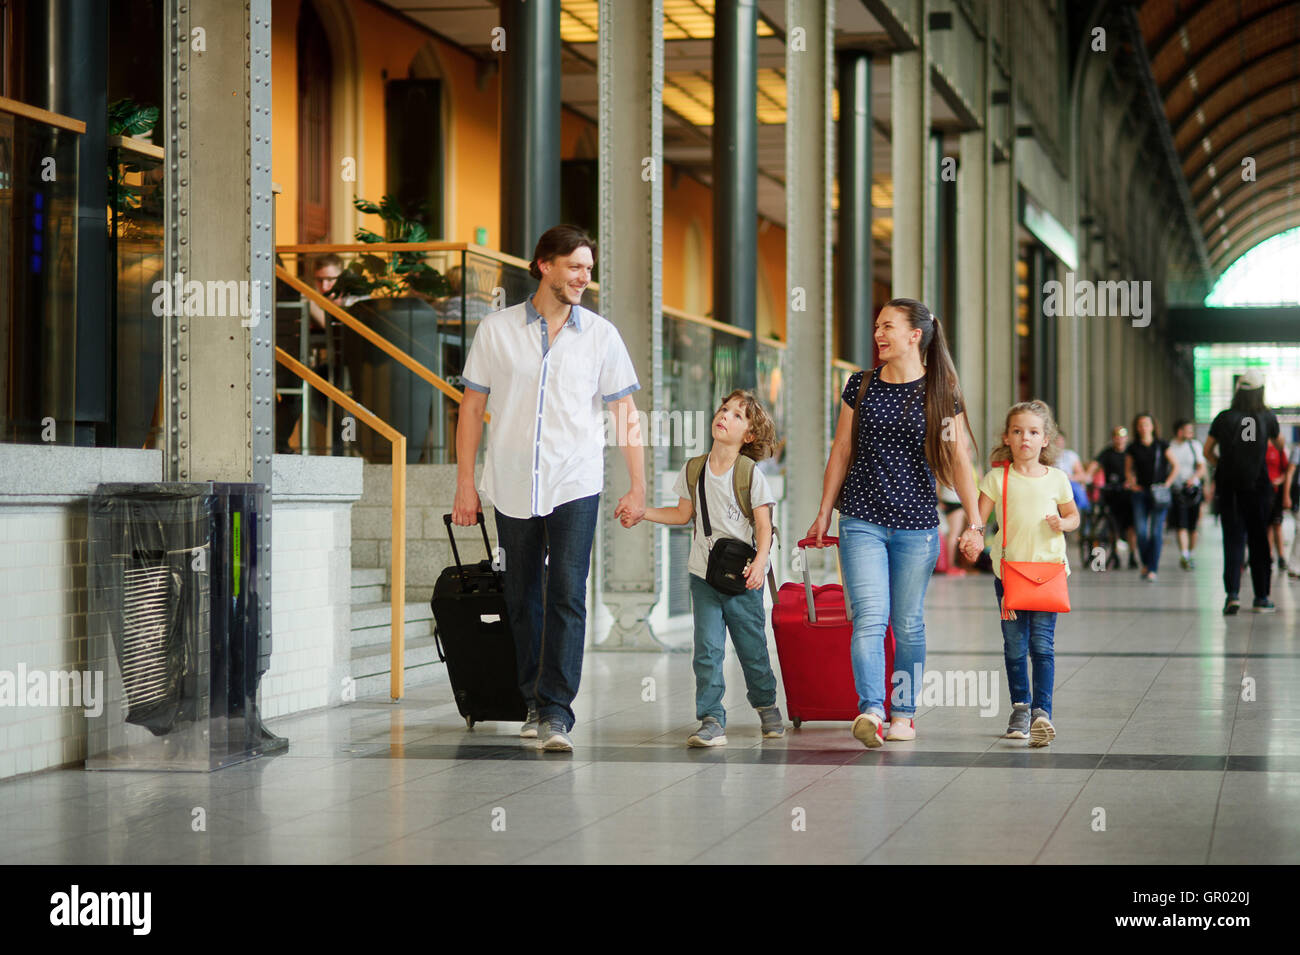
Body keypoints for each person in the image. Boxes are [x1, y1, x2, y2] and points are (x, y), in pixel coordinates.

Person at [451, 224, 646, 753]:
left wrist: (638, 485)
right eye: (575, 266)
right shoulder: (497, 329)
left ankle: (557, 709)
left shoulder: (600, 335)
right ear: (545, 265)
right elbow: (471, 408)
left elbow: (624, 412)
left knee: (567, 591)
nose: (585, 277)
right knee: (521, 594)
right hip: (511, 480)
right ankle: (532, 701)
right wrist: (465, 484)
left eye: (588, 268)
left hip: (575, 479)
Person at [805, 299, 983, 748]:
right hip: (860, 518)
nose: (878, 334)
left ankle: (903, 713)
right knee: (869, 617)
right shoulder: (860, 385)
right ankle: (870, 710)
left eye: (888, 326)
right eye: (876, 325)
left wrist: (975, 523)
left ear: (914, 335)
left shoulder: (941, 394)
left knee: (907, 624)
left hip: (917, 526)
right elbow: (841, 449)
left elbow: (960, 462)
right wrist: (825, 511)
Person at [623, 390, 783, 746]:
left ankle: (766, 705)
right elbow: (682, 514)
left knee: (752, 649)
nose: (724, 416)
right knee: (707, 650)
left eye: (738, 416)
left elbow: (763, 526)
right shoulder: (694, 468)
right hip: (704, 577)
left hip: (743, 578)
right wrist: (642, 513)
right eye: (724, 409)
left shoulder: (749, 473)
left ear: (749, 435)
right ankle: (711, 718)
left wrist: (760, 563)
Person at [963, 400, 1078, 748]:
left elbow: (1074, 517)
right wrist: (972, 537)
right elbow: (978, 521)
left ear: (1045, 440)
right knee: (1014, 645)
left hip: (1047, 575)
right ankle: (1020, 708)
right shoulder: (997, 478)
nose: (1025, 438)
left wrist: (1064, 523)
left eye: (1033, 432)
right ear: (1007, 438)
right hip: (1009, 576)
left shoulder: (1057, 479)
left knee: (1042, 646)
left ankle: (1043, 712)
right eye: (1017, 431)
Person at [1203, 369, 1284, 614]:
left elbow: (1208, 451)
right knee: (1259, 541)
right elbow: (1280, 446)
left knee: (1233, 539)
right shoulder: (1267, 417)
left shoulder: (1223, 417)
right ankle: (1261, 597)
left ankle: (1233, 595)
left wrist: (1224, 465)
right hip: (1258, 487)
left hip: (1229, 487)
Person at [1124, 412, 1179, 582]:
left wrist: (1167, 484)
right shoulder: (1133, 447)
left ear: (1153, 426)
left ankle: (1151, 568)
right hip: (1140, 493)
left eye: (1146, 424)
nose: (1143, 427)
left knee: (1156, 532)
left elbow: (1175, 466)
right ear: (1137, 428)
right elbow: (1128, 469)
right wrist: (1132, 483)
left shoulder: (1162, 445)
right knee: (1141, 531)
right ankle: (1146, 563)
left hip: (1159, 492)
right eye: (1140, 424)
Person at [1085, 426, 1138, 568]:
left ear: (1126, 438)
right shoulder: (1108, 452)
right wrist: (1087, 476)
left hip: (1127, 493)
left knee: (1130, 527)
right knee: (1112, 525)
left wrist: (1131, 482)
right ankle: (1115, 554)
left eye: (1122, 437)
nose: (1119, 440)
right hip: (1111, 493)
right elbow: (1095, 464)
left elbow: (1136, 469)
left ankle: (1133, 554)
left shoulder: (1130, 452)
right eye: (1116, 437)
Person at [1168, 419, 1207, 570]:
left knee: (1193, 526)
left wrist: (1194, 478)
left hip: (1193, 491)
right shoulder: (1170, 447)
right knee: (1181, 524)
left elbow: (1201, 467)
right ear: (1179, 431)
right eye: (1188, 430)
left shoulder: (1195, 446)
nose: (1191, 433)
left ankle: (1191, 552)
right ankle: (1184, 554)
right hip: (1177, 491)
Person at [1265, 440, 1287, 572]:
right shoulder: (1259, 448)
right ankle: (1269, 556)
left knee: (1277, 525)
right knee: (1266, 526)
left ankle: (1281, 556)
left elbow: (1287, 470)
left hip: (1276, 493)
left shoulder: (1278, 449)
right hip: (1263, 493)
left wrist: (1279, 480)